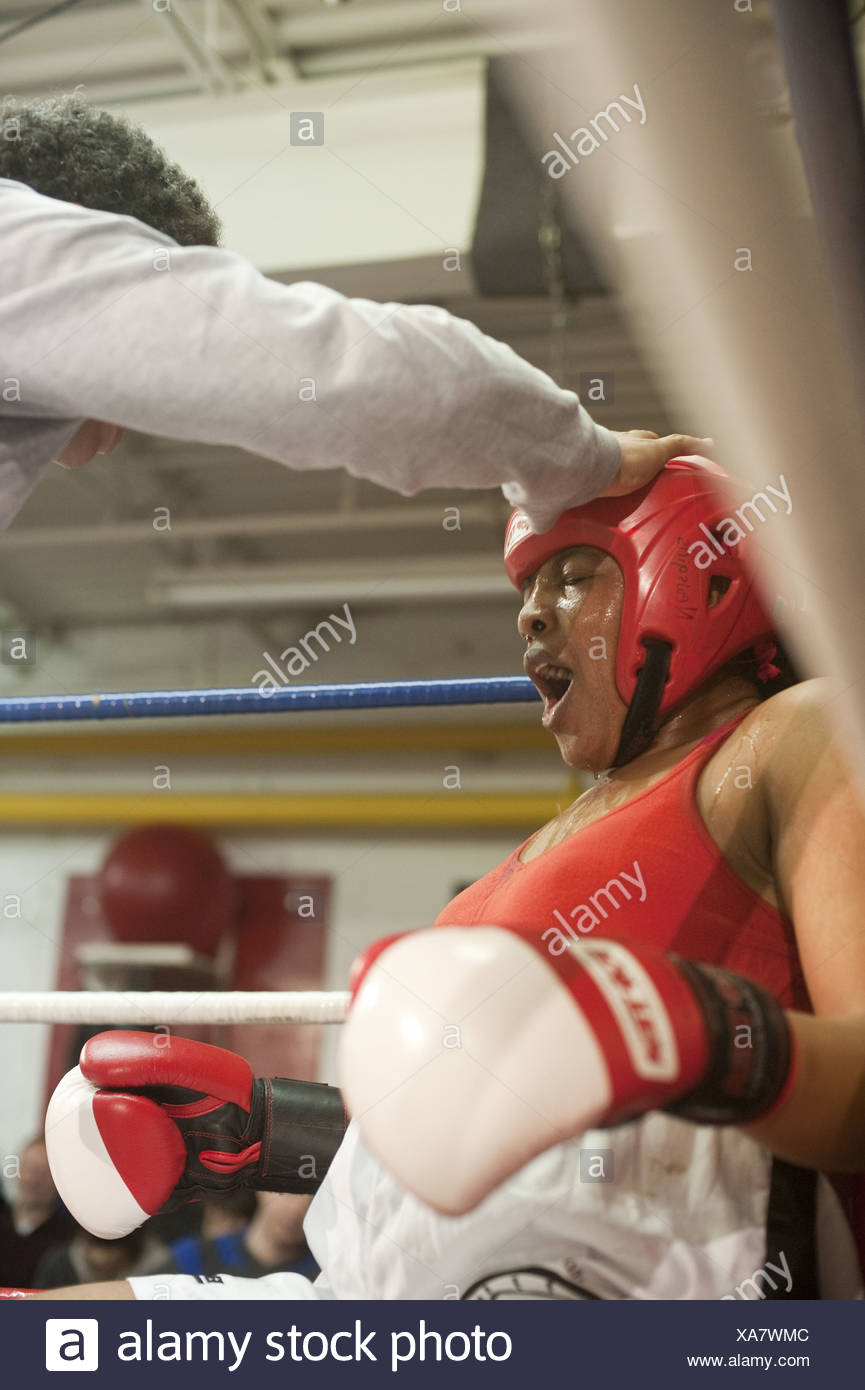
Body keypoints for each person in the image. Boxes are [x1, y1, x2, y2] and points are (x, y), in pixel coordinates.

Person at [30, 457, 865, 1301]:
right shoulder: (511, 873)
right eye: (528, 591)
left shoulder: (791, 737)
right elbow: (481, 1130)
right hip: (371, 1300)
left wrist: (681, 1029)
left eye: (575, 577)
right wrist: (271, 1131)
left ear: (703, 584)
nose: (533, 616)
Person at [0, 93, 710, 536]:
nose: (120, 426)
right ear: (91, 238)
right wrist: (584, 458)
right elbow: (367, 382)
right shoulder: (21, 247)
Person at [169, 1192, 317, 1281]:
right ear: (263, 1186)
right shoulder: (193, 1258)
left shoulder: (326, 1280)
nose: (297, 1210)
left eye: (315, 1201)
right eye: (290, 1192)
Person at [0, 1137, 74, 1288]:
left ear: (58, 1179)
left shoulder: (69, 1239)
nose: (33, 1179)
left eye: (44, 1172)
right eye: (29, 1168)